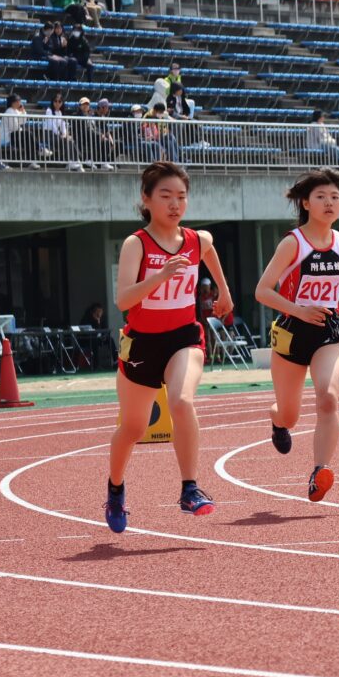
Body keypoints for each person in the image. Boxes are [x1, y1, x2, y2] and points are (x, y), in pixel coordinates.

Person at [105, 161, 233, 532]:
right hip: (142, 342)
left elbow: (209, 251)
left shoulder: (196, 240)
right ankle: (115, 490)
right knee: (132, 427)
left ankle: (190, 488)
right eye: (166, 196)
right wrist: (159, 276)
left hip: (184, 337)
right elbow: (123, 300)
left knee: (182, 401)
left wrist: (223, 292)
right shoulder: (137, 244)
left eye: (181, 197)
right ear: (146, 199)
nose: (175, 204)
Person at [253, 169, 339, 501]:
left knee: (328, 399)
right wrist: (298, 309)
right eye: (321, 197)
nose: (330, 202)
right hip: (291, 332)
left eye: (335, 197)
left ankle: (320, 471)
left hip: (328, 333)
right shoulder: (293, 243)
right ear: (306, 203)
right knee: (290, 413)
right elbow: (262, 290)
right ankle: (277, 421)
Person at [42, 91, 84, 171]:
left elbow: (62, 125)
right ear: (52, 102)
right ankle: (72, 161)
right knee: (66, 141)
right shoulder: (49, 111)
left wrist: (65, 134)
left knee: (70, 140)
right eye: (55, 101)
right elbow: (52, 126)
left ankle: (75, 160)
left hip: (56, 135)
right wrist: (60, 135)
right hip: (49, 135)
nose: (57, 103)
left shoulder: (60, 112)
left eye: (59, 101)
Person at [0, 93, 39, 168]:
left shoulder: (15, 111)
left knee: (28, 138)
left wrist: (23, 111)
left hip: (15, 134)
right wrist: (20, 129)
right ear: (12, 103)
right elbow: (13, 127)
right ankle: (38, 150)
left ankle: (31, 160)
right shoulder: (9, 111)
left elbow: (23, 121)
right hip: (9, 136)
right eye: (17, 101)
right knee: (28, 134)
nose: (19, 103)